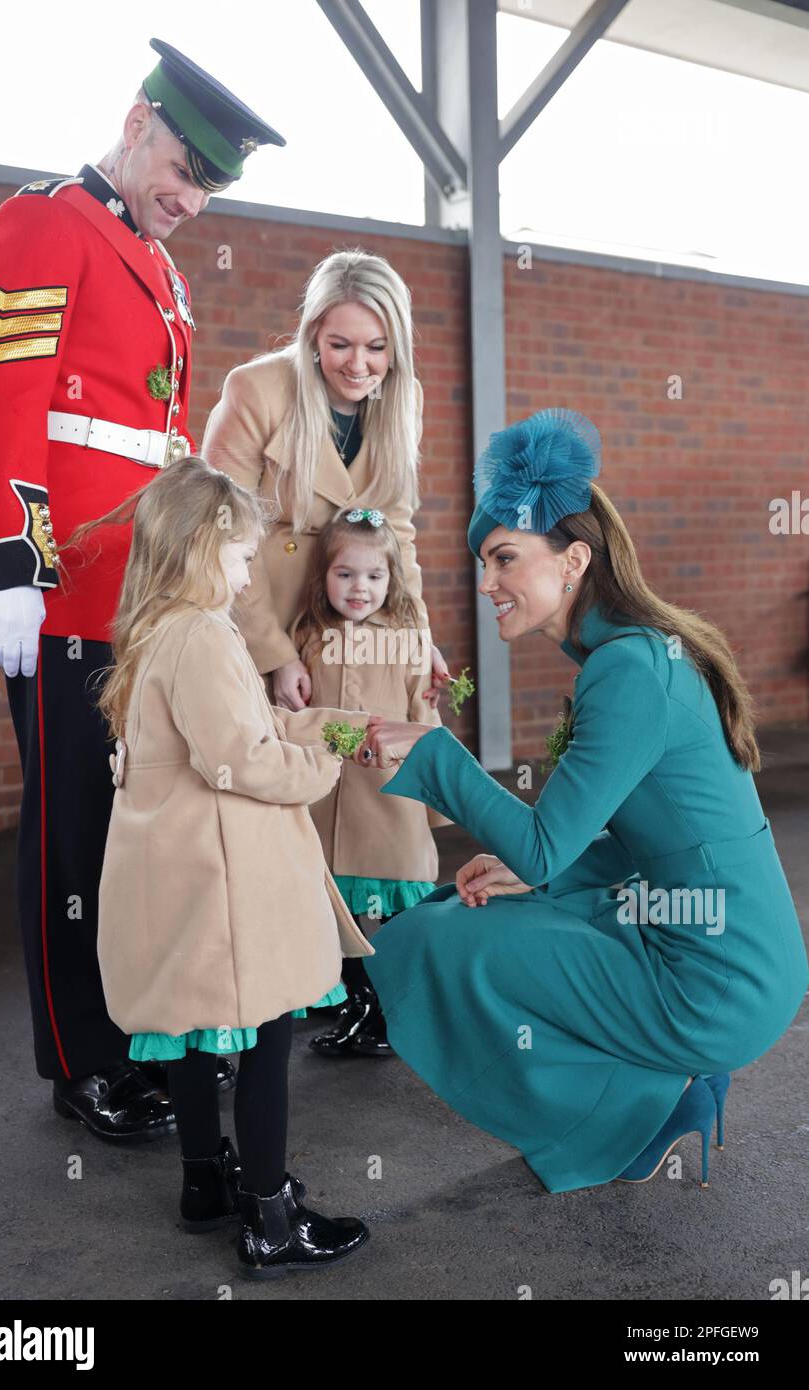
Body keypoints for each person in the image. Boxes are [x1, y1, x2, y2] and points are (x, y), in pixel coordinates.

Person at [0, 39, 285, 1141]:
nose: (191, 198)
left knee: (132, 832)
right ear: (135, 120)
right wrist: (6, 564)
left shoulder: (162, 264)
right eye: (184, 169)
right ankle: (81, 1061)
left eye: (209, 185)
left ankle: (137, 1033)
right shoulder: (45, 222)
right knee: (72, 831)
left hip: (140, 599)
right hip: (64, 595)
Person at [353, 408, 809, 1193]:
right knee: (469, 913)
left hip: (714, 978)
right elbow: (629, 842)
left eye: (503, 559)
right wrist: (540, 876)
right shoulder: (635, 655)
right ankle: (664, 1096)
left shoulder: (628, 671)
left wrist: (434, 753)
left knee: (440, 942)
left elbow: (540, 846)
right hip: (721, 945)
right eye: (482, 563)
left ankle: (651, 1098)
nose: (486, 582)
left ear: (572, 560)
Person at [71, 454, 373, 1276]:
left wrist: (311, 728)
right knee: (269, 1031)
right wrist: (329, 763)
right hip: (225, 881)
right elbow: (243, 760)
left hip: (176, 874)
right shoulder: (203, 635)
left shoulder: (154, 631)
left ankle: (206, 1183)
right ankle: (272, 1219)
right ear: (204, 546)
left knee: (198, 1033)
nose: (247, 575)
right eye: (241, 555)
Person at [201, 248, 450, 710]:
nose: (359, 365)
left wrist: (417, 637)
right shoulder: (255, 389)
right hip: (263, 608)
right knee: (278, 764)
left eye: (376, 347)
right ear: (313, 334)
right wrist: (273, 654)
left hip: (359, 624)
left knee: (375, 762)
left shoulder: (405, 398)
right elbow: (220, 530)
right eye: (341, 345)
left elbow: (395, 531)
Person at [285, 506, 453, 1058]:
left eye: (375, 576)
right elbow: (294, 719)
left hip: (390, 805)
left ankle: (402, 1009)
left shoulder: (408, 639)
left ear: (392, 579)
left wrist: (436, 801)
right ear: (323, 576)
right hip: (328, 805)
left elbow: (424, 721)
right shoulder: (306, 635)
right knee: (341, 912)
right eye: (346, 574)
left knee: (396, 912)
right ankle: (362, 1007)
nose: (361, 589)